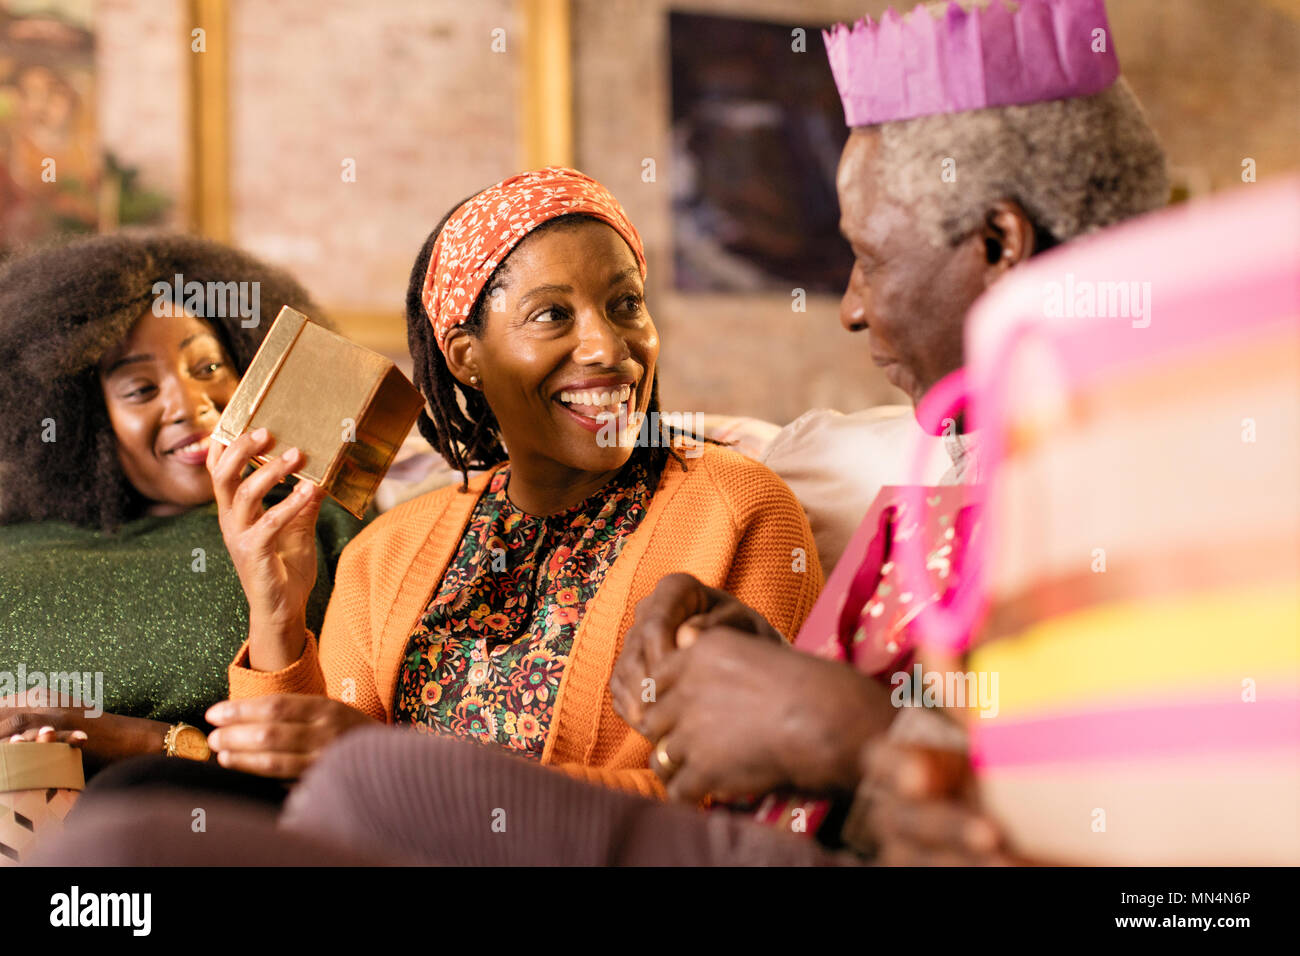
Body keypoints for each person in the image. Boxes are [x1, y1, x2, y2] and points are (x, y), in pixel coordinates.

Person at [202, 167, 822, 796]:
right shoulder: (380, 555)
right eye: (552, 314)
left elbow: (740, 809)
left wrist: (398, 763)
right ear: (467, 358)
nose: (608, 347)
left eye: (626, 304)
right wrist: (276, 615)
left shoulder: (738, 511)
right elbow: (310, 799)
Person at [0, 235, 364, 773]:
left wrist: (144, 741)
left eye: (209, 367)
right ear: (90, 422)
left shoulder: (311, 521)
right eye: (141, 389)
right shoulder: (14, 548)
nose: (189, 404)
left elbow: (334, 753)